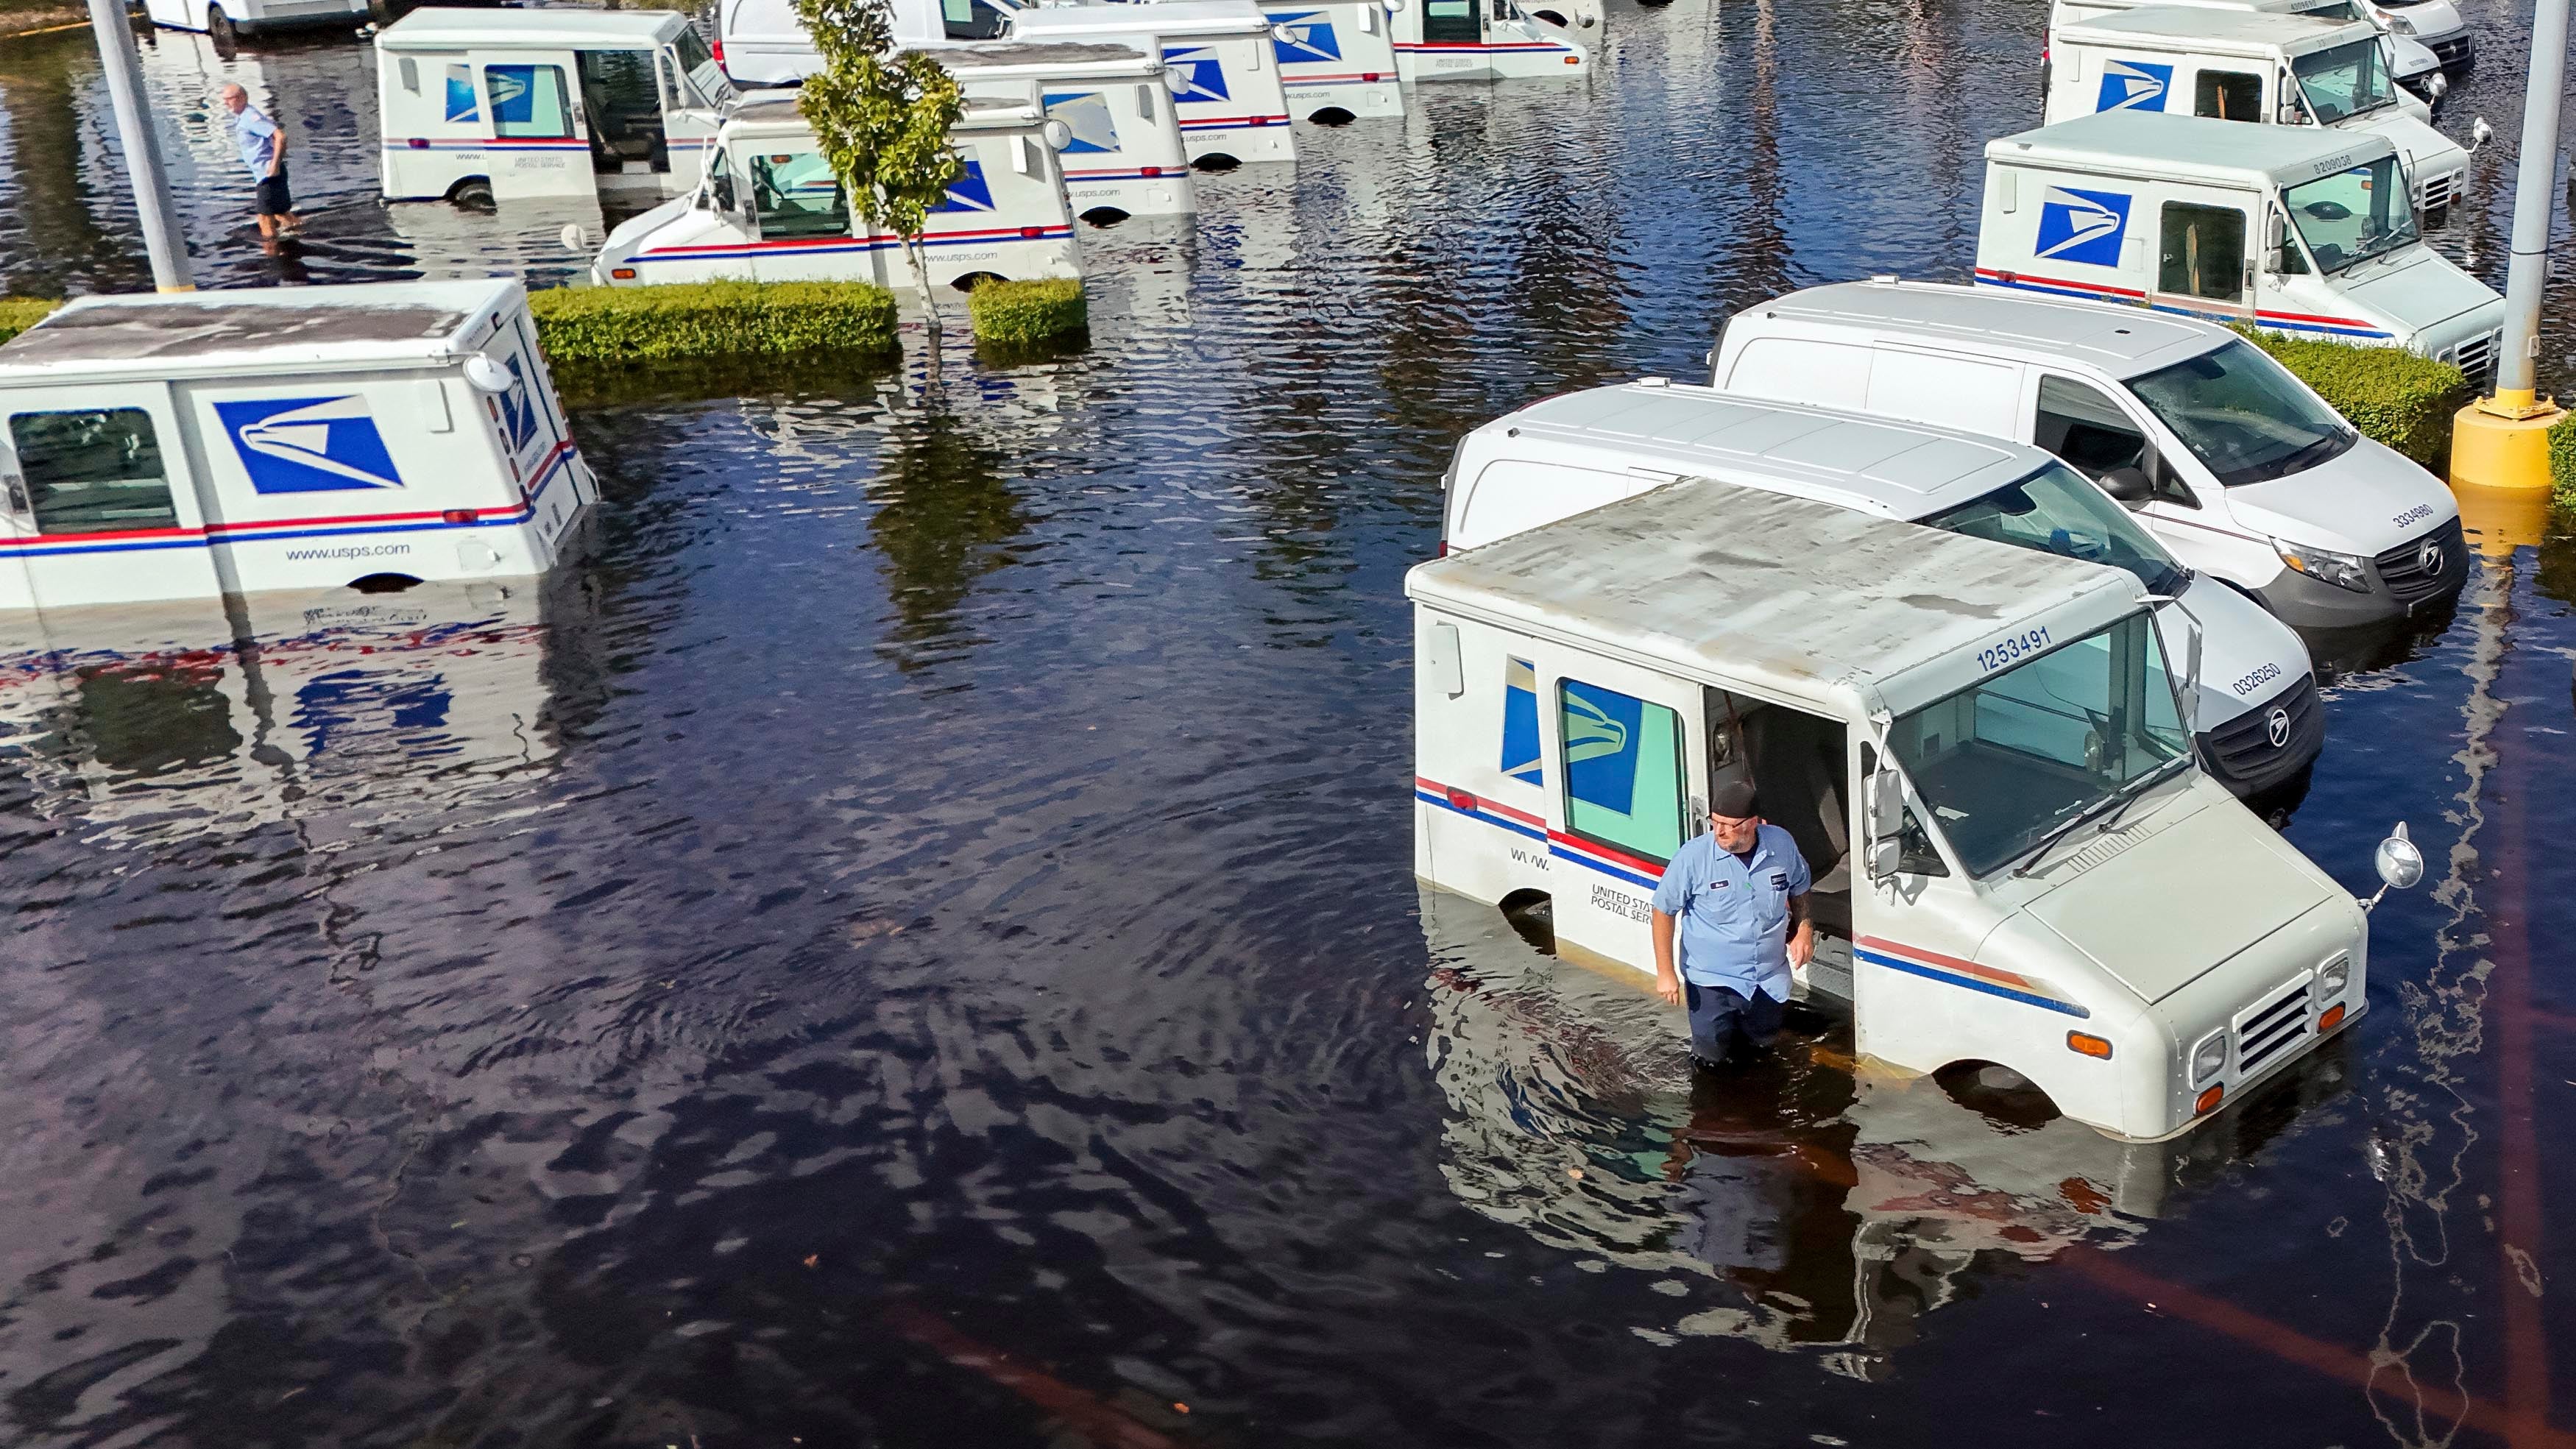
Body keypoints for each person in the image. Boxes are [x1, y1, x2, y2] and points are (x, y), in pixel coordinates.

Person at [1649, 779, 1813, 1069]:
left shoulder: (1782, 844)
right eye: (1715, 823)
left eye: (1728, 825)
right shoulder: (1693, 857)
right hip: (1712, 983)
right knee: (1711, 1063)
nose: (1719, 832)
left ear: (1753, 823)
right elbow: (1663, 910)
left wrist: (1804, 930)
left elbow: (1800, 885)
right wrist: (1666, 972)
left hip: (1768, 980)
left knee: (1764, 1056)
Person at [220, 84, 299, 240]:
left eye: (229, 99)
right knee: (281, 214)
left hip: (267, 175)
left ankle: (271, 249)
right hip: (268, 173)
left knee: (264, 218)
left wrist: (274, 165)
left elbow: (280, 137)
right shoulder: (244, 118)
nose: (225, 103)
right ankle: (303, 233)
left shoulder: (250, 118)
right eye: (224, 100)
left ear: (242, 98)